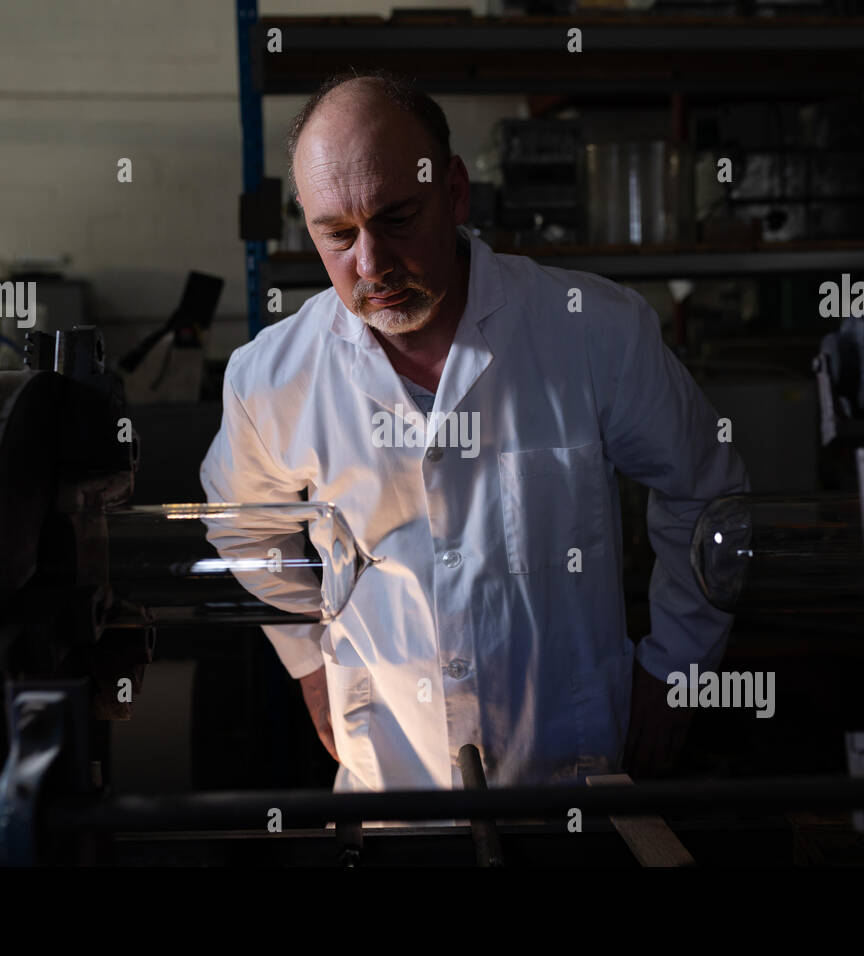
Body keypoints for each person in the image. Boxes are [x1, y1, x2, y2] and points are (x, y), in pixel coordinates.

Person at [200, 70, 749, 793]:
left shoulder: (593, 331)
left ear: (454, 192)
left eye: (397, 219)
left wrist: (676, 667)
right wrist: (306, 663)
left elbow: (708, 495)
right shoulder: (272, 377)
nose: (371, 265)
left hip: (572, 771)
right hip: (388, 776)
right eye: (337, 234)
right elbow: (244, 528)